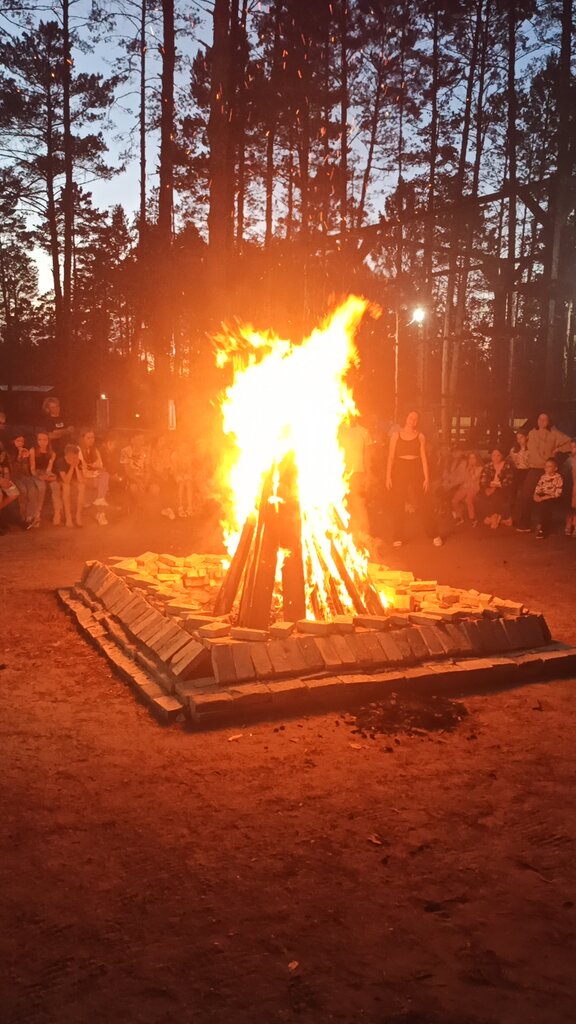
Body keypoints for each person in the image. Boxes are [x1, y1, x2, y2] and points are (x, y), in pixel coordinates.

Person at [386, 410, 442, 547]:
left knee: (424, 501)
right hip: (400, 468)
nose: (413, 420)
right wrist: (388, 476)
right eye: (411, 417)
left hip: (416, 467)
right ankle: (397, 537)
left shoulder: (420, 436)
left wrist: (426, 478)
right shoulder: (396, 435)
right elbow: (391, 457)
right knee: (398, 502)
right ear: (405, 418)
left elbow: (423, 458)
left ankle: (434, 534)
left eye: (415, 418)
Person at [515, 413, 571, 532]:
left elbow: (569, 443)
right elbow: (523, 444)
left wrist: (558, 449)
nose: (542, 421)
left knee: (545, 498)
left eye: (545, 419)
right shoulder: (532, 433)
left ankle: (543, 526)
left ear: (549, 421)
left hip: (547, 470)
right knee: (526, 496)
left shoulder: (554, 434)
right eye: (540, 419)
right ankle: (524, 524)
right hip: (534, 469)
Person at [339, 419, 373, 543]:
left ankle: (365, 535)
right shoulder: (338, 429)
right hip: (340, 473)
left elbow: (367, 456)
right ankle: (346, 534)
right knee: (343, 504)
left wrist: (368, 475)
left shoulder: (363, 432)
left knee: (359, 504)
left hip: (357, 473)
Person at [29, 431, 62, 526]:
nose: (42, 442)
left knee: (56, 485)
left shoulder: (52, 453)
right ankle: (37, 514)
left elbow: (49, 468)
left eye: (45, 440)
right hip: (36, 473)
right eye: (40, 440)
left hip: (46, 472)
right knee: (41, 487)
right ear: (36, 441)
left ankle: (57, 512)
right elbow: (32, 468)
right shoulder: (33, 450)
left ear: (48, 441)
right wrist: (39, 476)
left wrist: (49, 476)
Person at [477, 447, 515, 528]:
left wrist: (498, 485)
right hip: (490, 486)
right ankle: (501, 519)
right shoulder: (488, 466)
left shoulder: (506, 465)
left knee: (497, 494)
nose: (495, 457)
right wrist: (490, 485)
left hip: (503, 488)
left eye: (498, 455)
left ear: (502, 456)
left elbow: (509, 479)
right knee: (481, 494)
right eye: (493, 455)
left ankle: (494, 516)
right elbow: (483, 480)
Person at [78, 428, 109, 525]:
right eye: (88, 437)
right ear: (82, 439)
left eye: (93, 437)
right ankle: (100, 513)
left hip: (95, 476)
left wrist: (98, 469)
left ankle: (100, 511)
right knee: (103, 484)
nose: (91, 440)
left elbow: (99, 465)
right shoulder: (78, 450)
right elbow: (82, 469)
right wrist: (93, 472)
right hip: (82, 477)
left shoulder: (95, 450)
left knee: (105, 476)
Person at [9, 433, 37, 526]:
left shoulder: (26, 451)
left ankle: (30, 516)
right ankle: (22, 517)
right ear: (13, 442)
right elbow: (14, 471)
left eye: (22, 441)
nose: (20, 443)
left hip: (25, 476)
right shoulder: (10, 453)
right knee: (23, 491)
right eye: (18, 441)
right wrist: (19, 457)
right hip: (14, 477)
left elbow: (27, 471)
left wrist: (27, 459)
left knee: (33, 490)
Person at [55, 443, 86, 528]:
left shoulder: (78, 461)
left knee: (82, 487)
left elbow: (81, 480)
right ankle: (68, 517)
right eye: (73, 456)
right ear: (67, 455)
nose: (75, 458)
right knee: (66, 488)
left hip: (74, 481)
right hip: (62, 481)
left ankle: (78, 515)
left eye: (76, 455)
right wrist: (72, 467)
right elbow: (66, 480)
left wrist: (76, 466)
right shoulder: (61, 461)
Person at [533, 457, 564, 539]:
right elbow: (539, 487)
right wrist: (536, 495)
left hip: (553, 497)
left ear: (555, 468)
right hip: (544, 496)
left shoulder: (558, 477)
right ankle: (542, 524)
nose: (546, 468)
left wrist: (544, 498)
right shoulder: (543, 477)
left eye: (549, 466)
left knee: (545, 505)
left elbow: (557, 493)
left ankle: (542, 528)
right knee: (541, 504)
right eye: (546, 466)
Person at [450, 452, 482, 526]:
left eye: (473, 458)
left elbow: (474, 478)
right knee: (454, 501)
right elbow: (463, 478)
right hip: (465, 486)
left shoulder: (480, 468)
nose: (471, 460)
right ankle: (459, 517)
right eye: (470, 458)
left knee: (468, 500)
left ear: (476, 459)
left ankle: (473, 518)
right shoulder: (466, 467)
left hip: (474, 487)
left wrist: (471, 469)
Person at [564, 439, 576, 537]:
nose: (573, 449)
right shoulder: (569, 460)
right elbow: (565, 473)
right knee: (569, 506)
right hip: (570, 486)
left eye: (575, 447)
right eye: (571, 447)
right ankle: (568, 524)